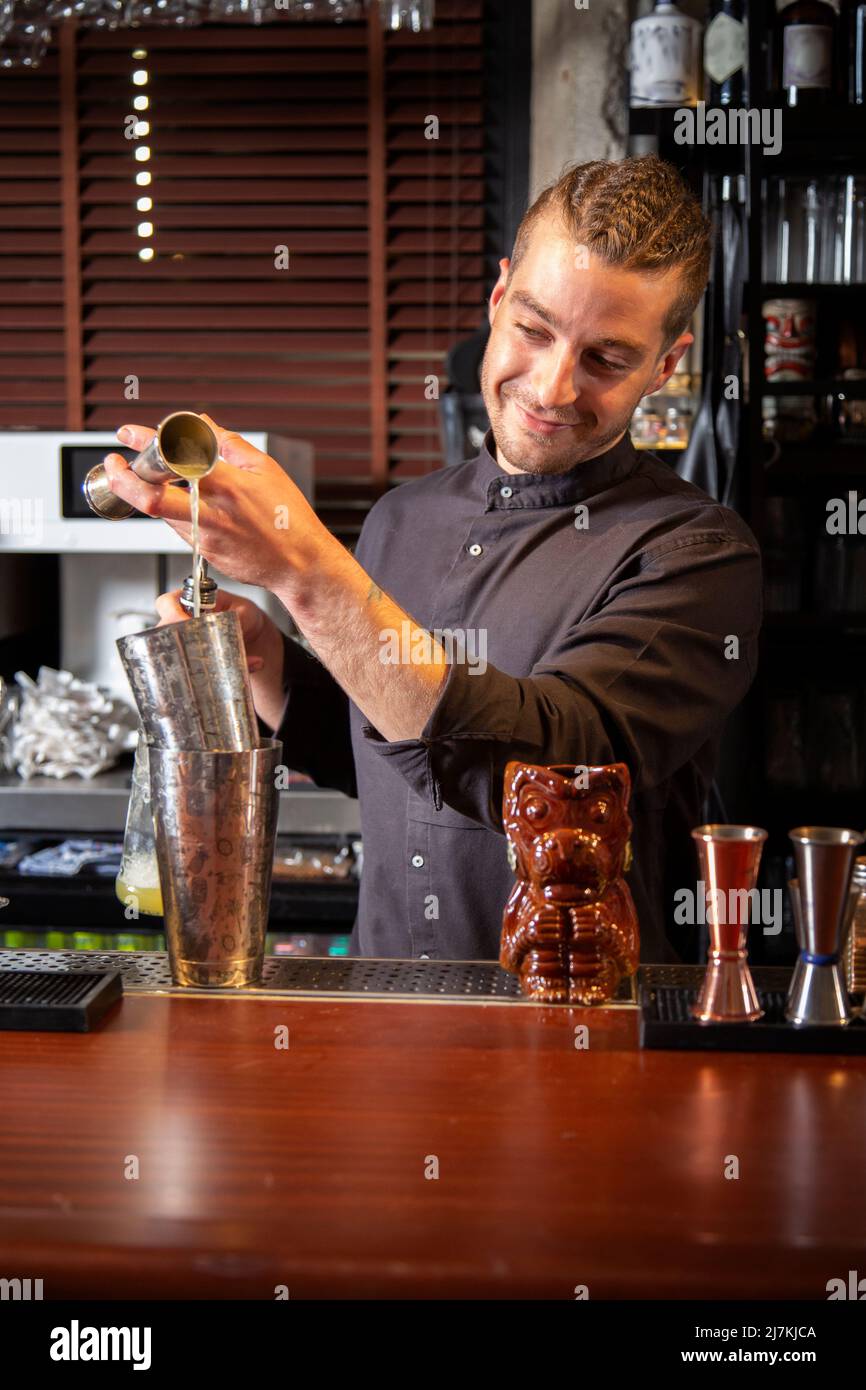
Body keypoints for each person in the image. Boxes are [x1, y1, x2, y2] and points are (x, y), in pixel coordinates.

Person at [102, 154, 762, 965]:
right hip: (381, 1025)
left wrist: (308, 577)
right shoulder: (402, 518)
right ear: (497, 297)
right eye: (534, 329)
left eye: (606, 359)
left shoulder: (695, 554)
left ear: (666, 365)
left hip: (576, 1044)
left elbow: (557, 775)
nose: (554, 387)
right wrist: (275, 669)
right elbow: (393, 761)